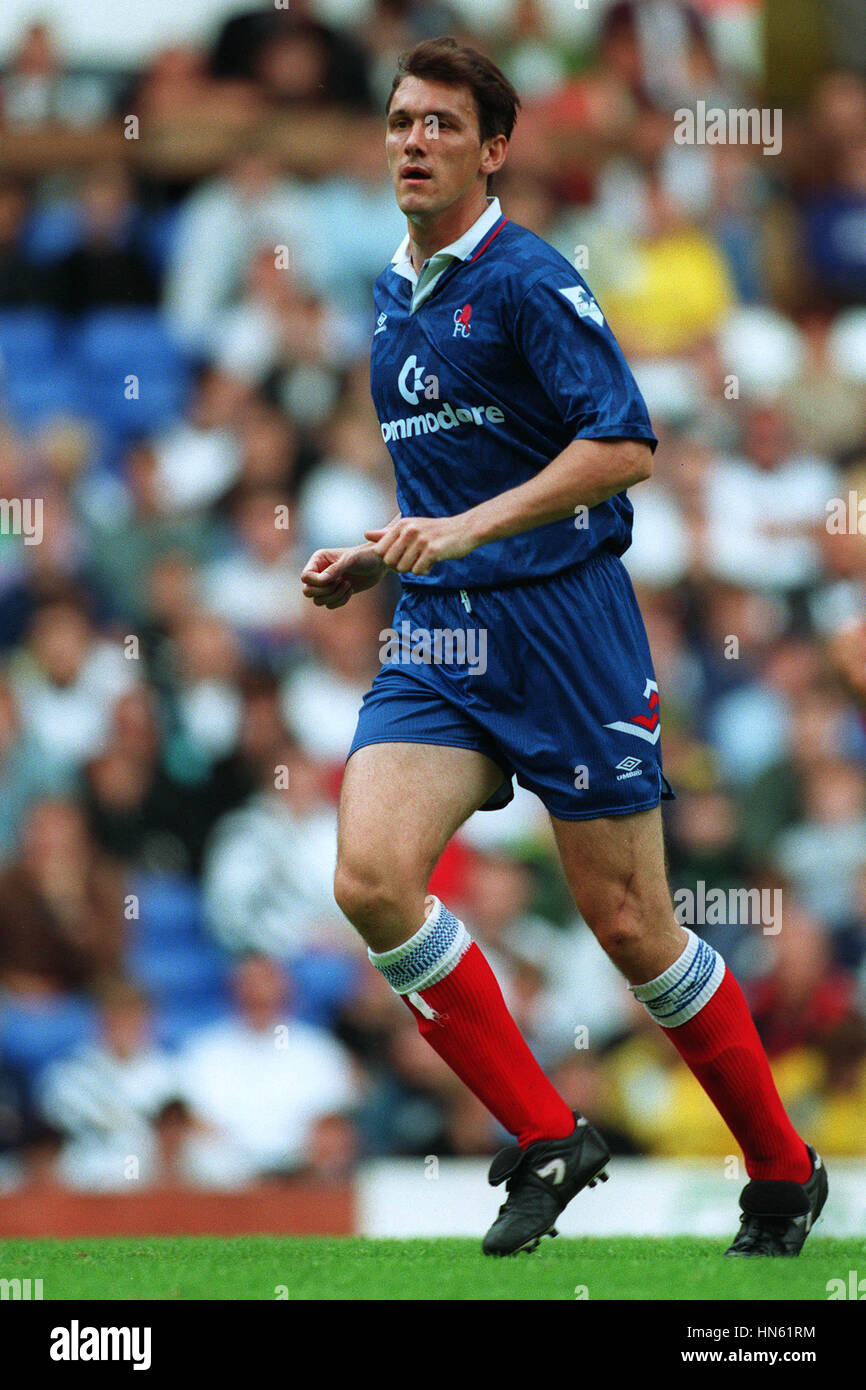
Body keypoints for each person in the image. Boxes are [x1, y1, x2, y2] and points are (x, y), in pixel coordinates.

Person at [300, 37, 826, 1257]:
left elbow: (624, 444)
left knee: (632, 928)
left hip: (565, 630)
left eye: (439, 123)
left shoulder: (532, 282)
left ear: (493, 151)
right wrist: (385, 553)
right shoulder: (391, 294)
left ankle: (779, 1166)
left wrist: (465, 528)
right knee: (370, 880)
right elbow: (453, 482)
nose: (412, 141)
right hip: (441, 637)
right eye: (397, 123)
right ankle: (548, 1136)